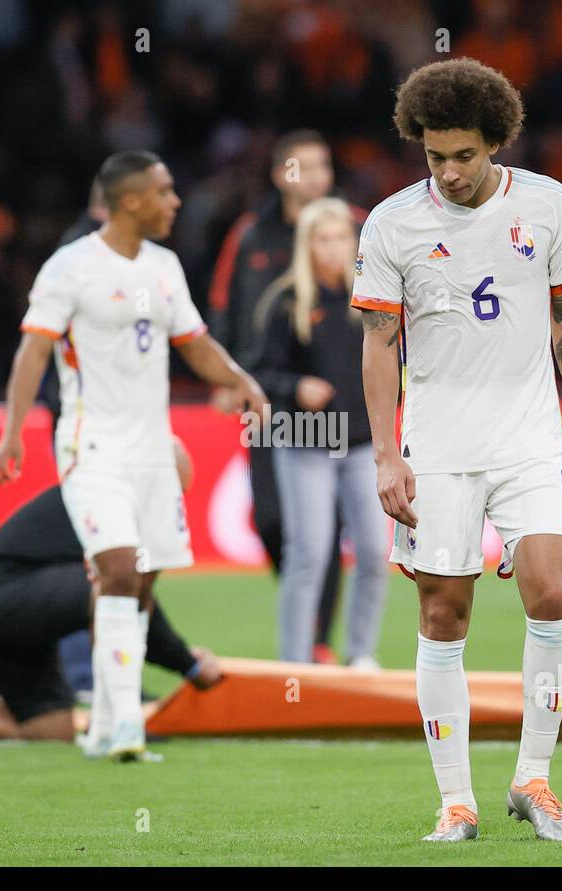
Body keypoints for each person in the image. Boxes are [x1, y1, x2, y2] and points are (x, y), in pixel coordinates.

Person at [356, 58, 562, 843]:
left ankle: (534, 778)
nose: (450, 172)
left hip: (529, 440)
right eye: (434, 157)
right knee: (442, 613)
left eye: (464, 155)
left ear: (496, 142)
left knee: (553, 593)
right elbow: (379, 344)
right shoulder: (393, 223)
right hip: (439, 449)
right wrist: (388, 455)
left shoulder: (547, 203)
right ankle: (456, 800)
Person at [0, 150, 265, 761]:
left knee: (141, 581)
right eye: (165, 192)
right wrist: (11, 430)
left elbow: (194, 345)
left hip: (152, 449)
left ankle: (108, 721)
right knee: (115, 568)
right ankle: (123, 731)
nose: (175, 202)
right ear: (131, 200)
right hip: (91, 445)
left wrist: (241, 380)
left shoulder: (165, 267)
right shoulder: (71, 268)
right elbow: (33, 352)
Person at [0, 438, 222, 745]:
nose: (171, 506)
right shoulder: (102, 501)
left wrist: (184, 661)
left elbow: (140, 604)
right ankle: (118, 717)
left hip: (3, 609)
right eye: (171, 493)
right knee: (111, 589)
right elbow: (129, 598)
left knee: (51, 731)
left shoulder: (112, 498)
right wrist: (189, 666)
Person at [210, 129, 353, 664]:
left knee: (328, 521)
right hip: (270, 398)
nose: (314, 175)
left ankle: (316, 642)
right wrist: (226, 377)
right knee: (271, 517)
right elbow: (224, 305)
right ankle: (305, 609)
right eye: (302, 166)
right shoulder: (253, 235)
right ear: (279, 175)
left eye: (322, 164)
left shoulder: (352, 226)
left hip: (333, 402)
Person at [253, 197, 387, 667]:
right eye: (323, 238)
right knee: (308, 554)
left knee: (374, 551)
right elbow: (260, 373)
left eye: (341, 237)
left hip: (363, 441)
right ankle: (295, 663)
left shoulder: (371, 300)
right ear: (306, 246)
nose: (334, 248)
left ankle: (361, 653)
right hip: (305, 438)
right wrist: (296, 385)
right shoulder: (287, 303)